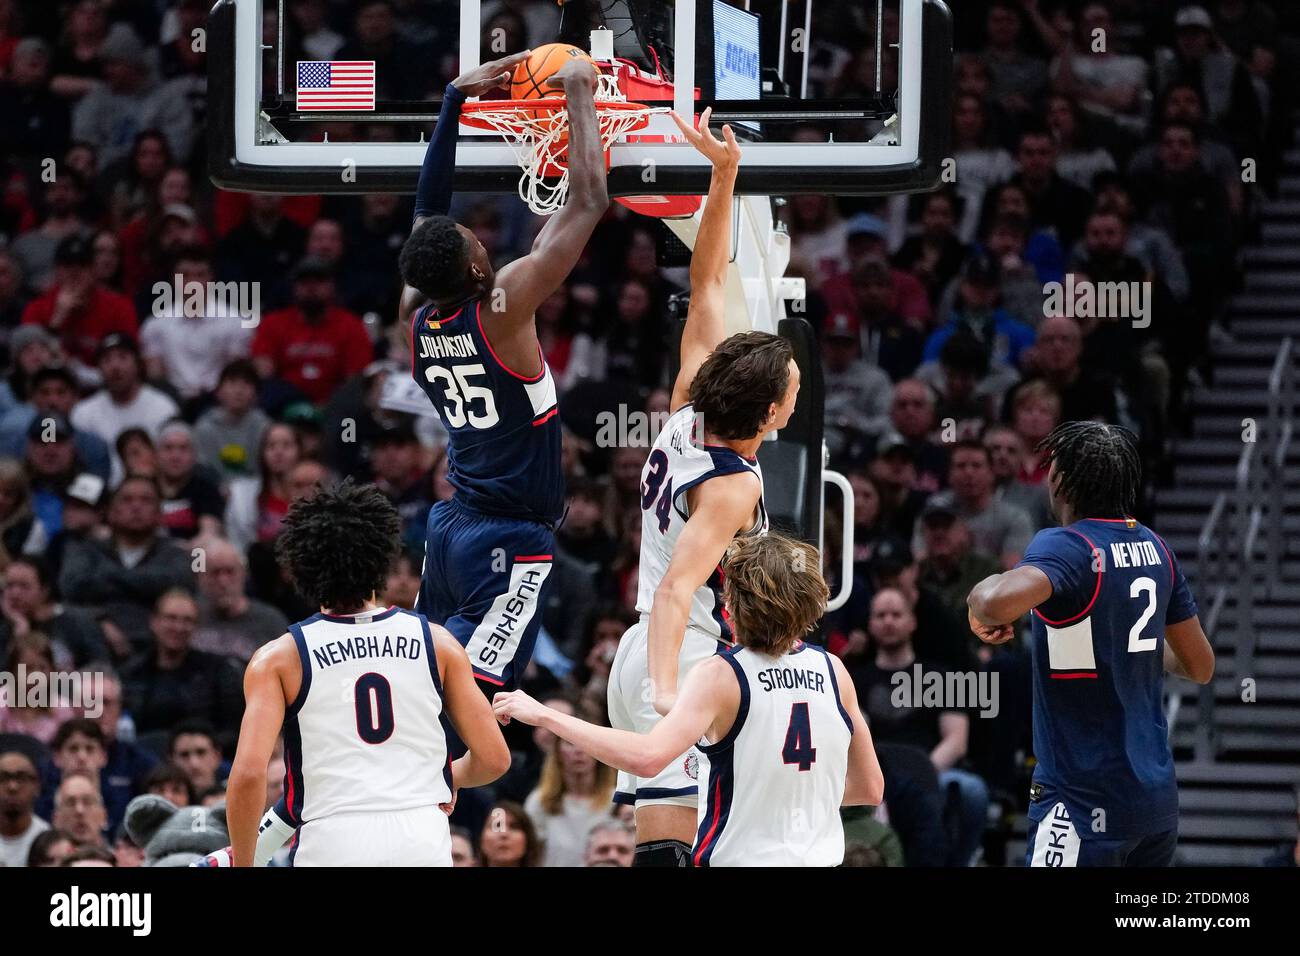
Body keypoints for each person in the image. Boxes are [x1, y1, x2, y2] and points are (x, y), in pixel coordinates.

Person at [603, 116, 801, 866]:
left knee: (663, 848)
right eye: (792, 388)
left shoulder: (689, 402)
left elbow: (708, 277)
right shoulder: (732, 485)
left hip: (641, 647)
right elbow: (682, 588)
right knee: (714, 845)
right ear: (772, 413)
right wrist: (666, 692)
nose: (795, 391)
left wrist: (723, 177)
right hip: (678, 656)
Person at [393, 52, 603, 699]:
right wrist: (579, 93)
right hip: (507, 539)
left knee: (425, 688)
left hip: (452, 526)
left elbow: (426, 213)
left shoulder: (415, 317)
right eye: (474, 239)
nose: (479, 234)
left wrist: (454, 98)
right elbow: (591, 198)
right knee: (472, 702)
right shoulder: (505, 309)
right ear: (479, 269)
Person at [495, 533, 884, 867]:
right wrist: (781, 795)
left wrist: (545, 715)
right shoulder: (835, 671)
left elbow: (647, 758)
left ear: (731, 604)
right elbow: (869, 788)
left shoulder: (722, 674)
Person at [968, 422, 1215, 867]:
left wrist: (977, 599)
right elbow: (1200, 666)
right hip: (1154, 805)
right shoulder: (1156, 547)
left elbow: (996, 602)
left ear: (1061, 480)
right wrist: (1120, 644)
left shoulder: (1067, 544)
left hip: (1081, 800)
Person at [226, 480, 510, 866]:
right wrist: (444, 777)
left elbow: (247, 776)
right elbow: (494, 759)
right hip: (420, 834)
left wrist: (244, 862)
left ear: (299, 567)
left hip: (334, 837)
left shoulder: (277, 658)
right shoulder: (438, 643)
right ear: (384, 561)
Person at [0, 750, 49, 867]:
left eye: (21, 778)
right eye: (3, 778)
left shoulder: (48, 841)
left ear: (37, 786)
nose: (12, 787)